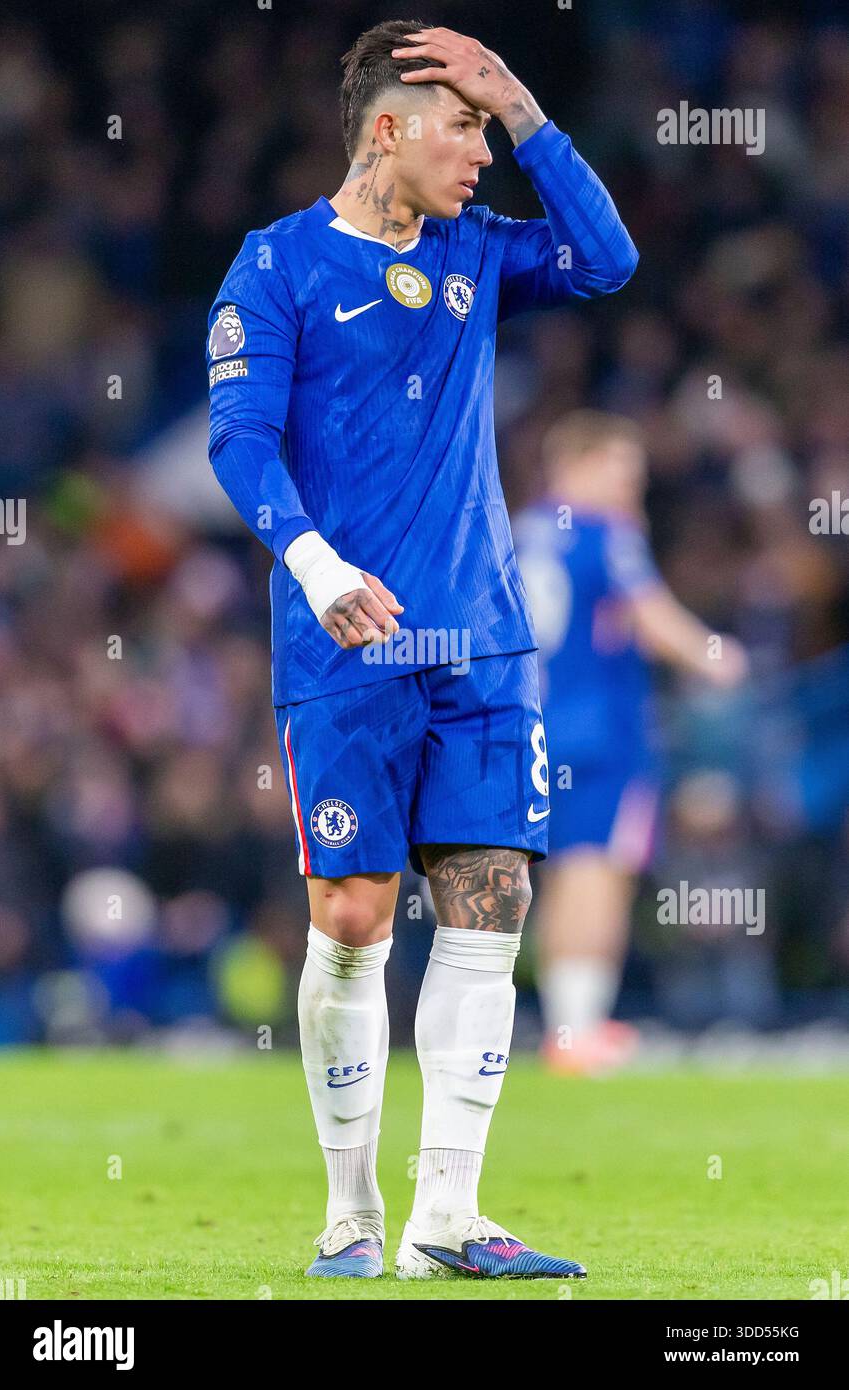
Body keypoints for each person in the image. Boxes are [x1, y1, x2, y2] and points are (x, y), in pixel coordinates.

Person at [206, 21, 638, 1280]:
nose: (482, 157)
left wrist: (515, 96)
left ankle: (444, 1216)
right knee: (350, 916)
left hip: (484, 640)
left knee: (489, 907)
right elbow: (241, 439)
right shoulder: (276, 265)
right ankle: (347, 1210)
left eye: (487, 131)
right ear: (385, 129)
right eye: (462, 128)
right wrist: (317, 564)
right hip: (347, 637)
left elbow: (606, 262)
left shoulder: (474, 254)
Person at [514, 411, 748, 1076]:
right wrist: (716, 656)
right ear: (576, 465)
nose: (630, 488)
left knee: (558, 877)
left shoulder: (523, 531)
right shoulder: (606, 534)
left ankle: (564, 1024)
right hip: (601, 733)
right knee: (596, 872)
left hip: (533, 732)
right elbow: (650, 615)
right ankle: (578, 1030)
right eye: (620, 472)